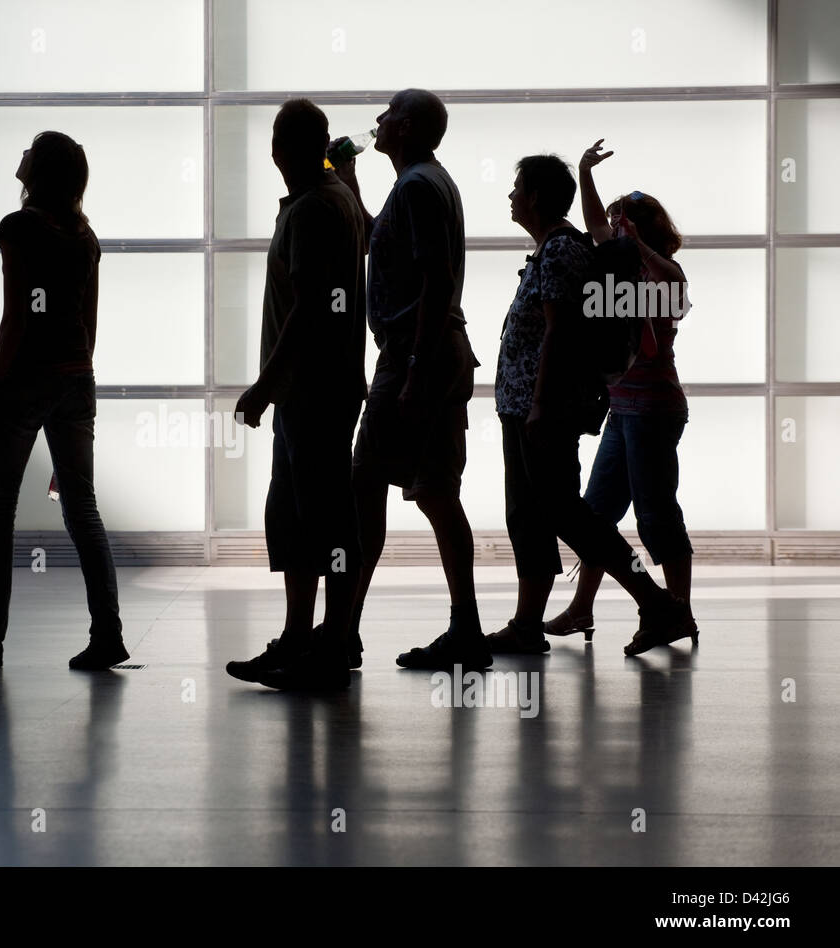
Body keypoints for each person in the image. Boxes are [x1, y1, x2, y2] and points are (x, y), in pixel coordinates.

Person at [0, 131, 127, 671]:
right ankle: (108, 633)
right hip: (75, 379)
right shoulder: (85, 235)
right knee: (82, 509)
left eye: (29, 150)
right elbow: (87, 322)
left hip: (25, 381)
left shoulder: (19, 229)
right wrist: (77, 393)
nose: (19, 154)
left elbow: (16, 317)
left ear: (38, 170)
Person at [491, 154, 692, 657]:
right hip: (588, 409)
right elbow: (598, 225)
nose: (511, 197)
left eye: (518, 189)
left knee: (626, 515)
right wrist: (585, 173)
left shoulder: (589, 260)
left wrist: (538, 404)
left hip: (612, 410)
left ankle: (663, 603)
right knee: (574, 512)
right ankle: (561, 613)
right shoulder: (577, 252)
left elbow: (559, 330)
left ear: (535, 197)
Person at [332, 89, 491, 672]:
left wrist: (416, 367)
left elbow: (434, 277)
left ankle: (343, 630)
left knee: (368, 485)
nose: (378, 120)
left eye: (390, 113)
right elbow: (390, 243)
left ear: (409, 127)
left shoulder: (419, 186)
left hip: (414, 355)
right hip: (432, 353)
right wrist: (351, 186)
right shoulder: (422, 182)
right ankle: (462, 628)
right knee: (433, 492)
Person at [225, 98, 366, 692]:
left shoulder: (313, 210)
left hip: (312, 390)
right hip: (321, 388)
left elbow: (308, 310)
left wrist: (264, 386)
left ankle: (325, 641)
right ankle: (309, 638)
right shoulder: (337, 202)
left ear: (278, 149)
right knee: (303, 517)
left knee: (318, 521)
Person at [543, 140, 697, 645]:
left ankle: (678, 613)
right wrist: (586, 174)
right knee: (596, 513)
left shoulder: (661, 274)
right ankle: (582, 607)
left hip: (655, 410)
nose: (610, 229)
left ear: (640, 230)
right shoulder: (619, 268)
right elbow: (594, 227)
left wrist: (638, 244)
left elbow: (675, 286)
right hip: (623, 410)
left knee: (656, 513)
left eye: (621, 222)